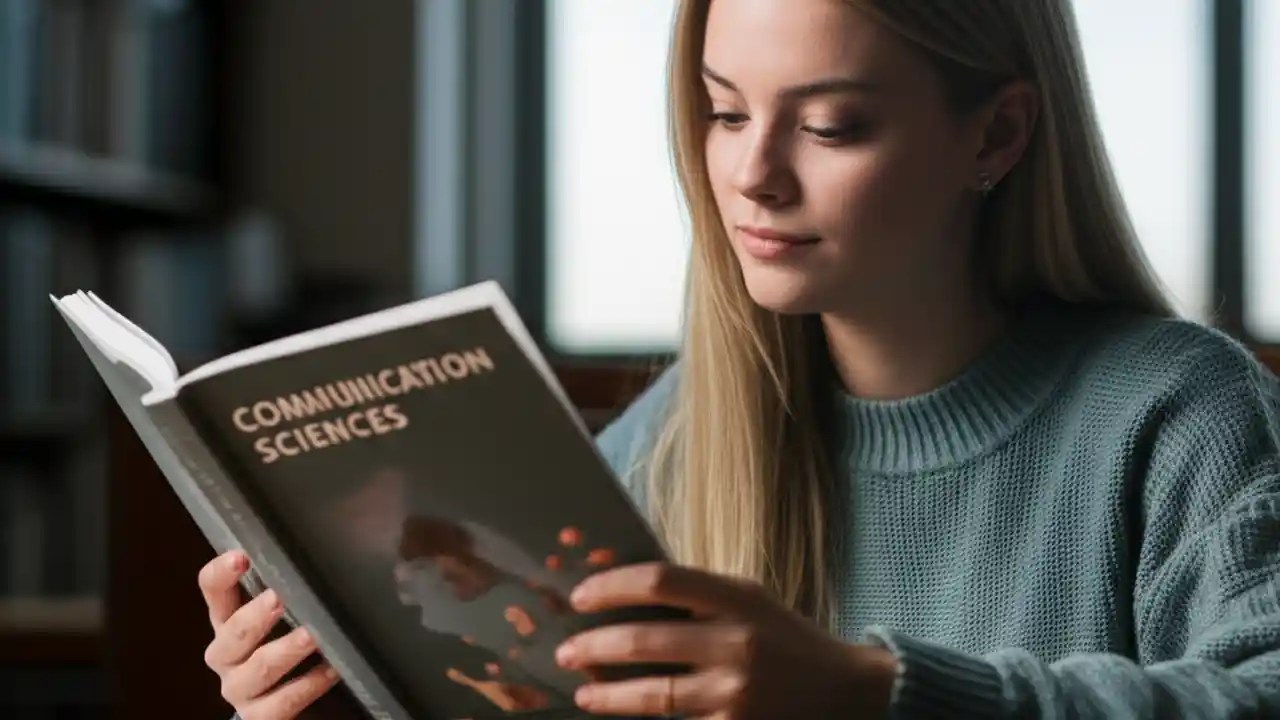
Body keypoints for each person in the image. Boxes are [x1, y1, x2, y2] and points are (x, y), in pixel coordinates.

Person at [197, 0, 1280, 717]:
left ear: (994, 137)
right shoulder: (676, 435)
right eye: (722, 112)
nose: (750, 175)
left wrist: (867, 695)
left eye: (832, 125)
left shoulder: (1175, 409)